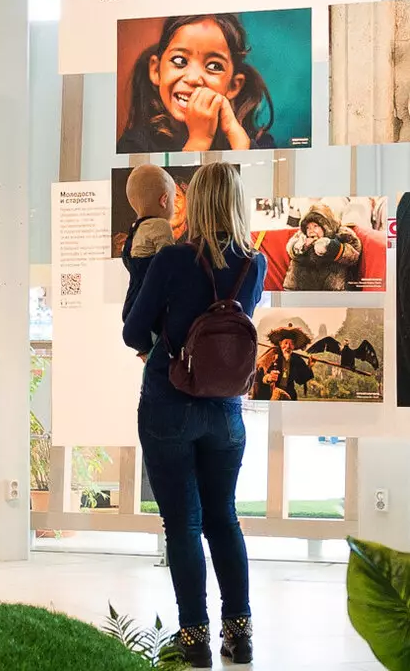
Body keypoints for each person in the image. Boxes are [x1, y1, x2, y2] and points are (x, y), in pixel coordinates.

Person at [123, 161, 267, 667]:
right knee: (224, 519)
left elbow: (132, 332)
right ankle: (241, 634)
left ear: (195, 201)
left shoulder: (172, 260)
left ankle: (193, 640)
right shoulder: (257, 262)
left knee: (182, 524)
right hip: (227, 411)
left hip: (169, 403)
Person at [117, 13, 277, 154]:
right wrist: (199, 142)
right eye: (179, 61)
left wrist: (240, 144)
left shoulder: (259, 142)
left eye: (214, 66)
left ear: (233, 86)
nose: (193, 78)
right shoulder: (135, 146)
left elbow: (263, 185)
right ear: (156, 71)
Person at [121, 164, 177, 323]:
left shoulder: (135, 230)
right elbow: (170, 263)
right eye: (174, 199)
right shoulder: (160, 225)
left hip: (133, 303)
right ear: (164, 200)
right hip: (153, 306)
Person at [282, 204, 362, 291]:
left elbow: (354, 254)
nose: (311, 230)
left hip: (333, 291)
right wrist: (300, 247)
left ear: (326, 226)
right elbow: (290, 247)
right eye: (308, 227)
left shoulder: (342, 233)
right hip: (302, 290)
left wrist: (330, 247)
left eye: (315, 226)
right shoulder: (302, 236)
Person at [251, 324, 315, 401]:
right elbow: (260, 372)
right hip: (271, 394)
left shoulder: (296, 359)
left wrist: (309, 366)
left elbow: (300, 380)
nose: (288, 346)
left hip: (288, 395)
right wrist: (269, 377)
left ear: (294, 346)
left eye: (291, 344)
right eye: (286, 343)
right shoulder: (271, 354)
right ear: (280, 343)